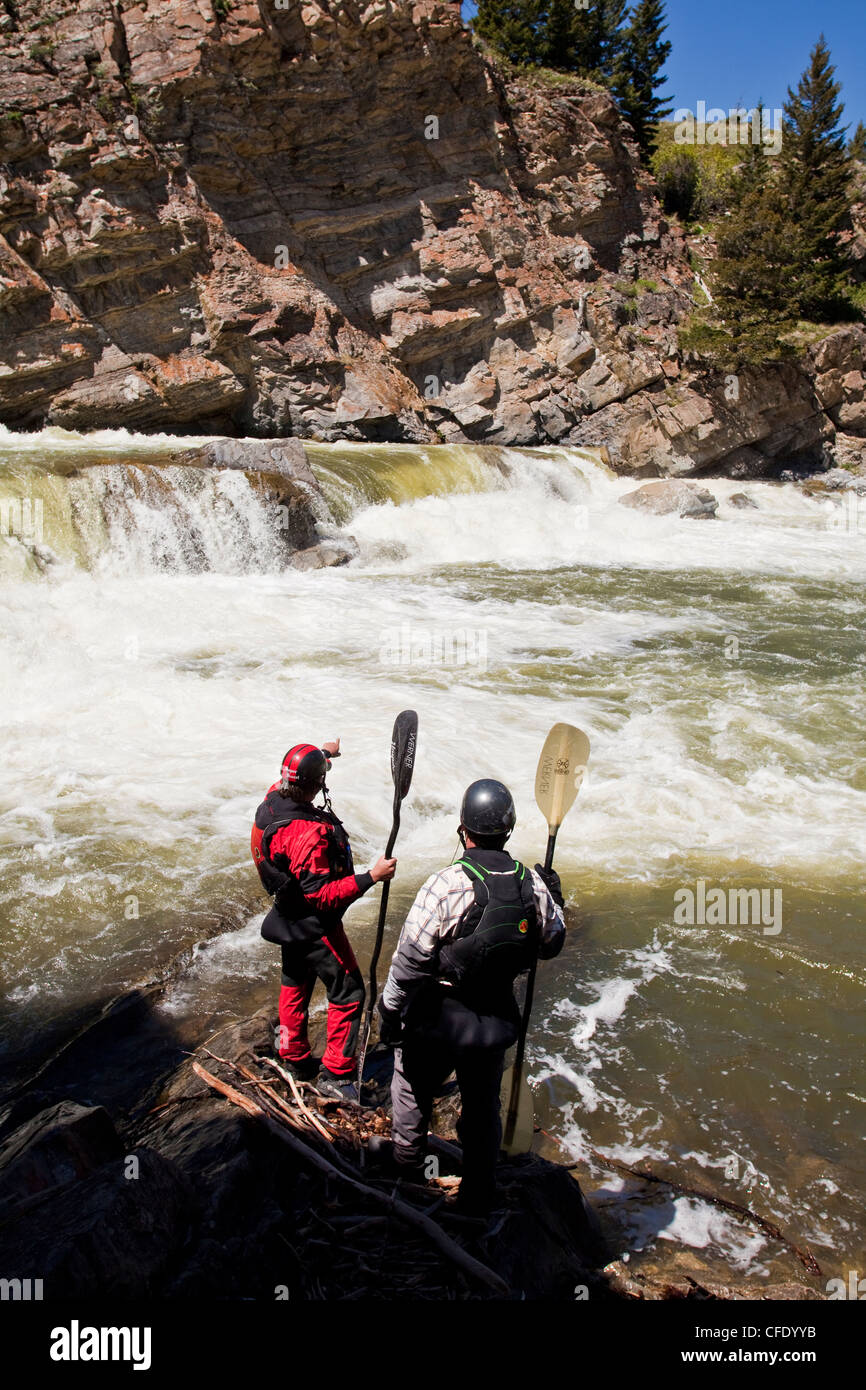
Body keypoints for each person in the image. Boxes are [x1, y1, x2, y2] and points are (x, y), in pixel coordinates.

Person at [377, 778, 565, 1215]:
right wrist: (554, 894)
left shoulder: (444, 885)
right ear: (509, 831)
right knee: (482, 1103)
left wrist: (389, 1009)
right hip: (493, 1017)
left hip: (438, 1016)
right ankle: (480, 1187)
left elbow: (409, 961)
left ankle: (406, 1162)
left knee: (410, 1085)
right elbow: (551, 943)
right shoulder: (530, 885)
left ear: (463, 830)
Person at [251, 738, 396, 1101]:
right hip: (315, 923)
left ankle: (292, 1054)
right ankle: (336, 1074)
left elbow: (301, 773)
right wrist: (371, 876)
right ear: (314, 785)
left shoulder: (271, 800)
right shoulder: (306, 835)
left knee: (295, 981)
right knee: (349, 992)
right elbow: (321, 896)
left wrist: (324, 754)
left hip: (288, 916)